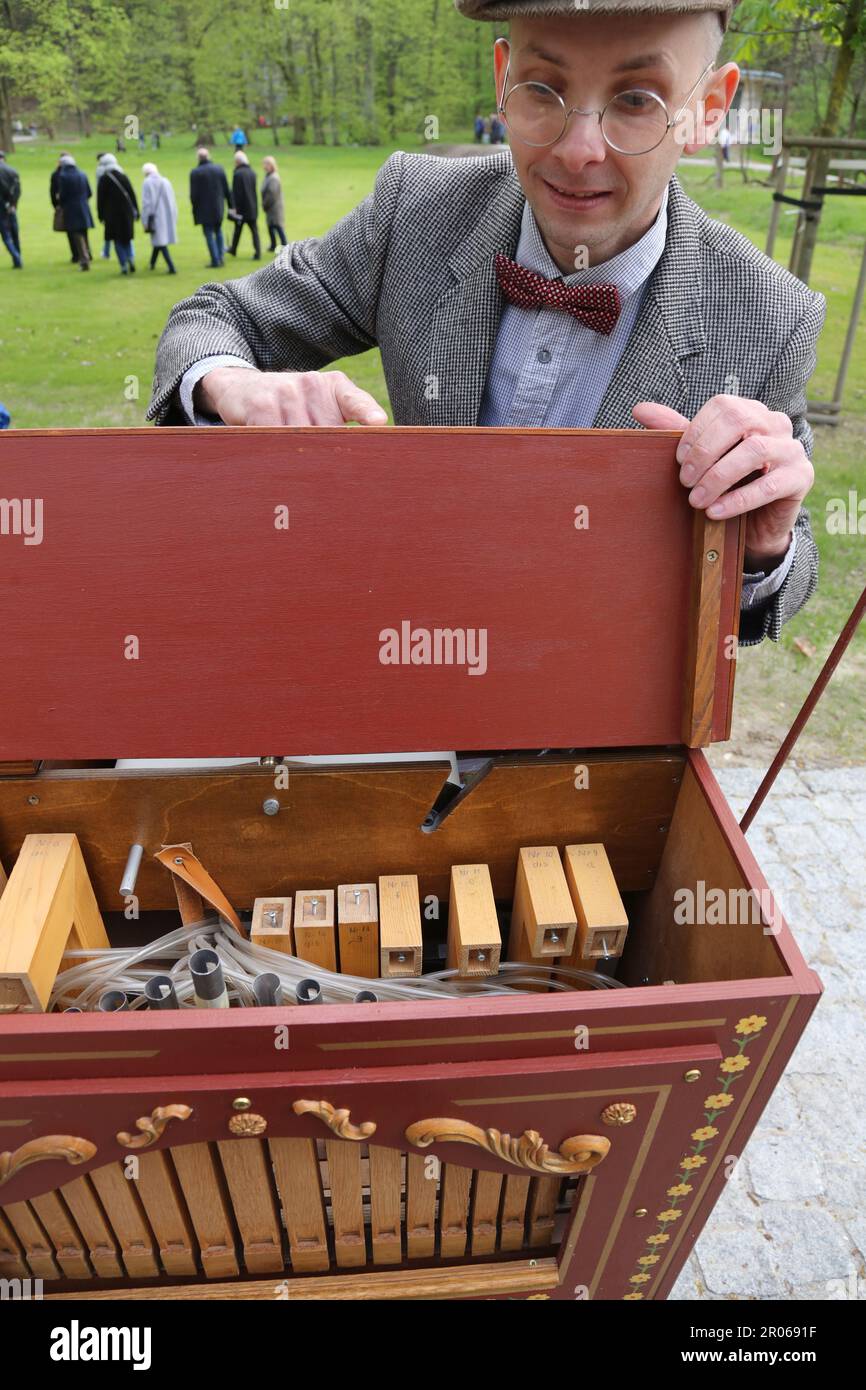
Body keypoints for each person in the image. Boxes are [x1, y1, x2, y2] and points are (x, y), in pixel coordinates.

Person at [149, 0, 824, 647]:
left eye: (636, 100)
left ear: (707, 110)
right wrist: (232, 383)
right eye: (542, 88)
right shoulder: (412, 210)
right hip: (400, 678)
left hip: (594, 735)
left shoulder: (772, 317)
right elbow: (217, 317)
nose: (578, 149)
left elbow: (767, 595)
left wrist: (764, 547)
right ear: (504, 79)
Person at [96, 152, 139, 274]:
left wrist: (100, 215)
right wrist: (137, 211)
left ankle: (123, 264)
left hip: (111, 216)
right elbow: (132, 195)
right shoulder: (123, 176)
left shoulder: (104, 179)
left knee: (117, 240)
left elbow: (100, 200)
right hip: (126, 214)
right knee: (127, 238)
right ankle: (130, 259)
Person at [189, 146, 232, 268]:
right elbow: (226, 189)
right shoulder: (219, 169)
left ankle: (215, 260)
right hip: (218, 207)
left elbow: (194, 194)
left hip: (204, 209)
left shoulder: (195, 172)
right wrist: (230, 205)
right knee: (218, 231)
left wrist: (194, 207)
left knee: (208, 233)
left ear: (198, 158)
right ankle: (220, 257)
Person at [55, 154, 94, 270]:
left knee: (76, 235)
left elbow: (63, 195)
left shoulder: (63, 176)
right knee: (84, 232)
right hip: (84, 207)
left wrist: (60, 201)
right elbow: (89, 192)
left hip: (71, 209)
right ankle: (88, 255)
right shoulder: (82, 174)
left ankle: (84, 260)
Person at [141, 162, 178, 273]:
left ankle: (172, 267)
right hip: (167, 215)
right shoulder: (166, 181)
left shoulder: (147, 182)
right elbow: (172, 201)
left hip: (154, 216)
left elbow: (146, 203)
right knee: (158, 240)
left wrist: (145, 220)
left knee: (160, 242)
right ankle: (152, 263)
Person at [228, 150, 261, 260]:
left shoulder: (237, 174)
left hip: (242, 208)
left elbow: (236, 193)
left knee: (238, 230)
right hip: (252, 207)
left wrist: (234, 207)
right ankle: (258, 252)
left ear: (238, 161)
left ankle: (233, 249)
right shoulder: (252, 172)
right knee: (254, 231)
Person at [0, 150, 22, 269]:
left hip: (2, 206)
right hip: (12, 206)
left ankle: (16, 257)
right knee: (14, 233)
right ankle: (17, 259)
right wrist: (13, 204)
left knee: (6, 235)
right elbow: (18, 190)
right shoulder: (13, 171)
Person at [261, 156, 287, 251]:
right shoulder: (268, 176)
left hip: (274, 207)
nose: (264, 166)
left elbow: (272, 195)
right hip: (270, 206)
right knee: (270, 226)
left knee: (278, 226)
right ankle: (273, 245)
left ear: (271, 165)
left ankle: (284, 244)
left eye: (266, 164)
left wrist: (265, 204)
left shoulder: (273, 178)